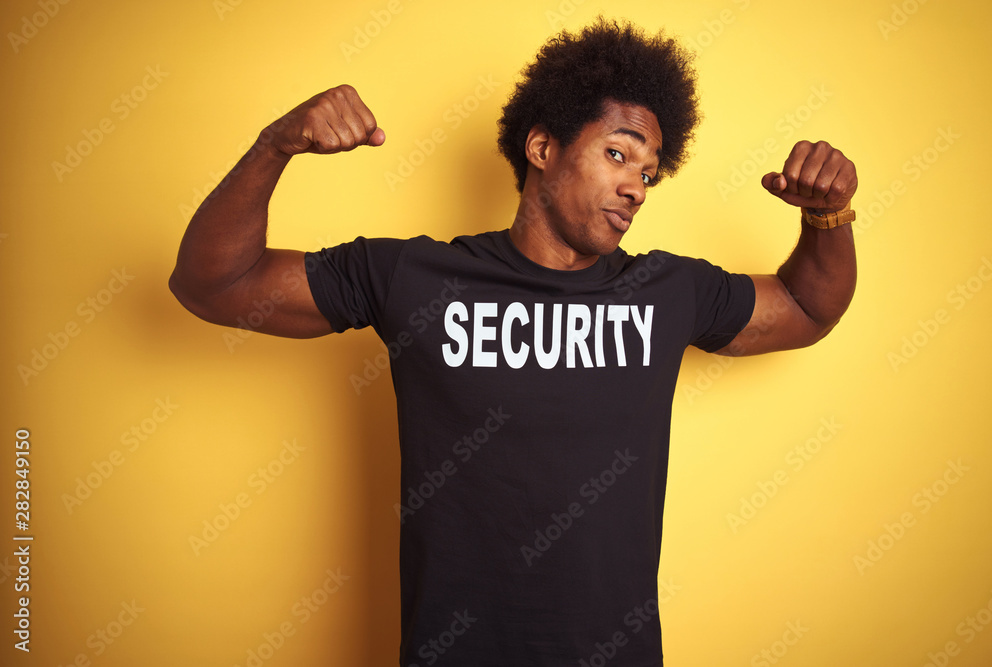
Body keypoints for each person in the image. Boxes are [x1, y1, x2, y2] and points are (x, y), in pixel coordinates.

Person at [169, 18, 856, 667]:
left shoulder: (666, 291)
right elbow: (215, 283)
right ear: (543, 148)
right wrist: (274, 146)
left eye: (648, 172)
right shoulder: (412, 277)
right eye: (617, 153)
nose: (635, 187)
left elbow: (805, 306)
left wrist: (828, 215)